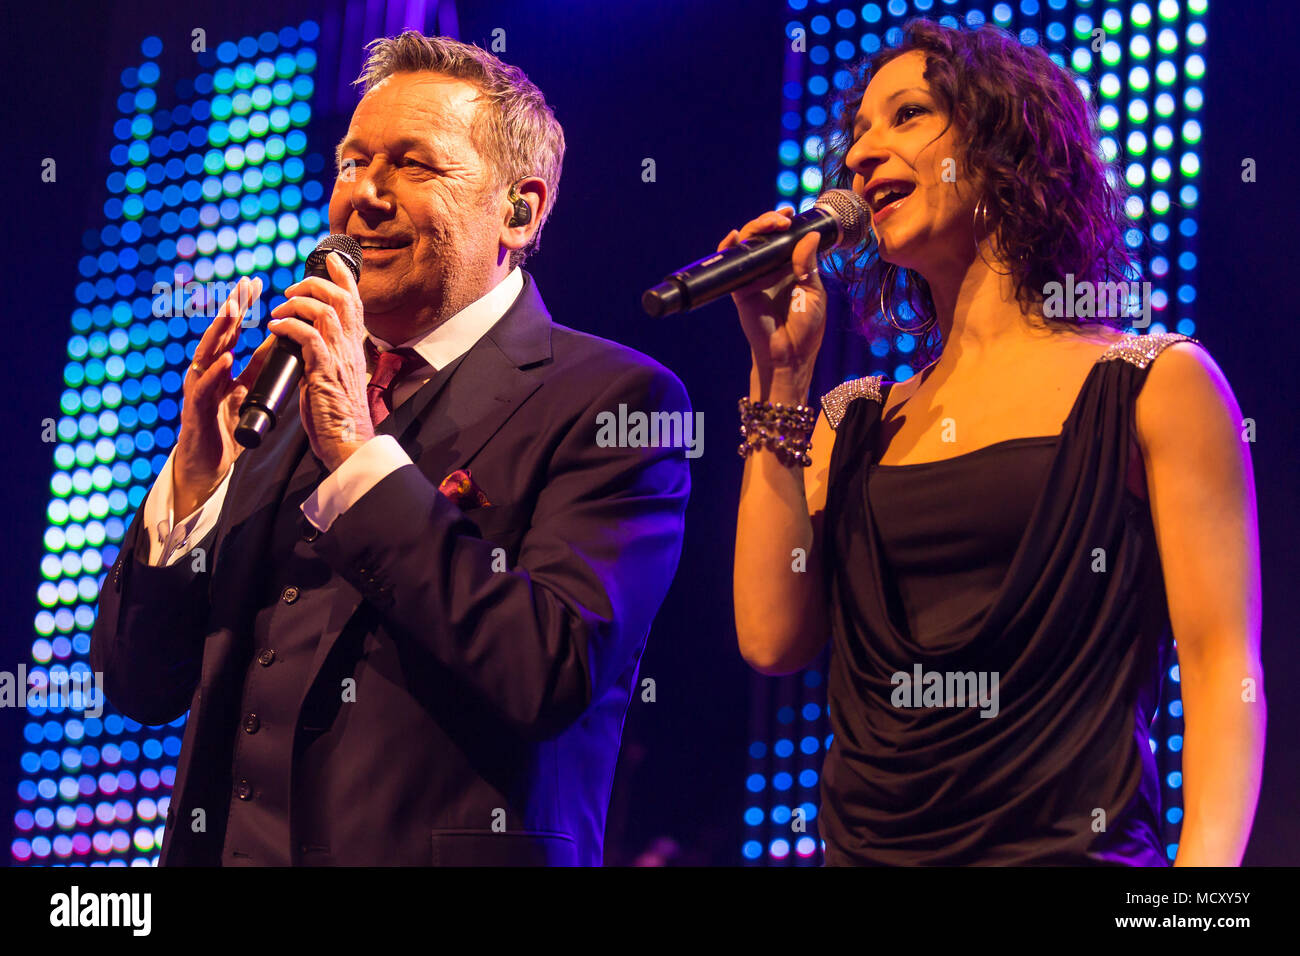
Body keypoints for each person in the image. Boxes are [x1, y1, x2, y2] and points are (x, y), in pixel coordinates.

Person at [90, 33, 691, 866]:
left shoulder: (617, 401)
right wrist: (193, 485)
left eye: (412, 165)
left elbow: (549, 670)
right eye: (351, 162)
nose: (363, 197)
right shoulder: (287, 391)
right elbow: (138, 684)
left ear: (519, 210)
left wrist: (358, 454)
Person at [727, 20, 1263, 865]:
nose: (862, 157)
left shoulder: (1155, 384)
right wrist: (780, 380)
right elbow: (770, 639)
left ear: (1007, 143)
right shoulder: (848, 417)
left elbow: (1219, 662)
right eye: (858, 134)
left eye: (907, 116)